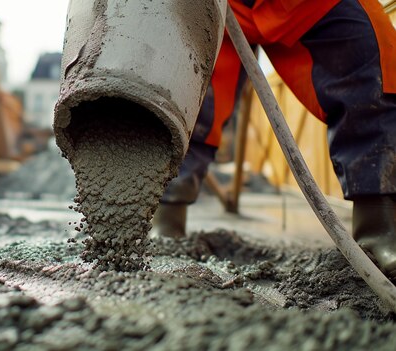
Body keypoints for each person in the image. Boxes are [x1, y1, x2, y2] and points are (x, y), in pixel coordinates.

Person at [152, 0, 396, 279]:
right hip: (221, 5)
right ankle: (167, 218)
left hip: (307, 4)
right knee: (191, 94)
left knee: (371, 56)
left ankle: (378, 226)